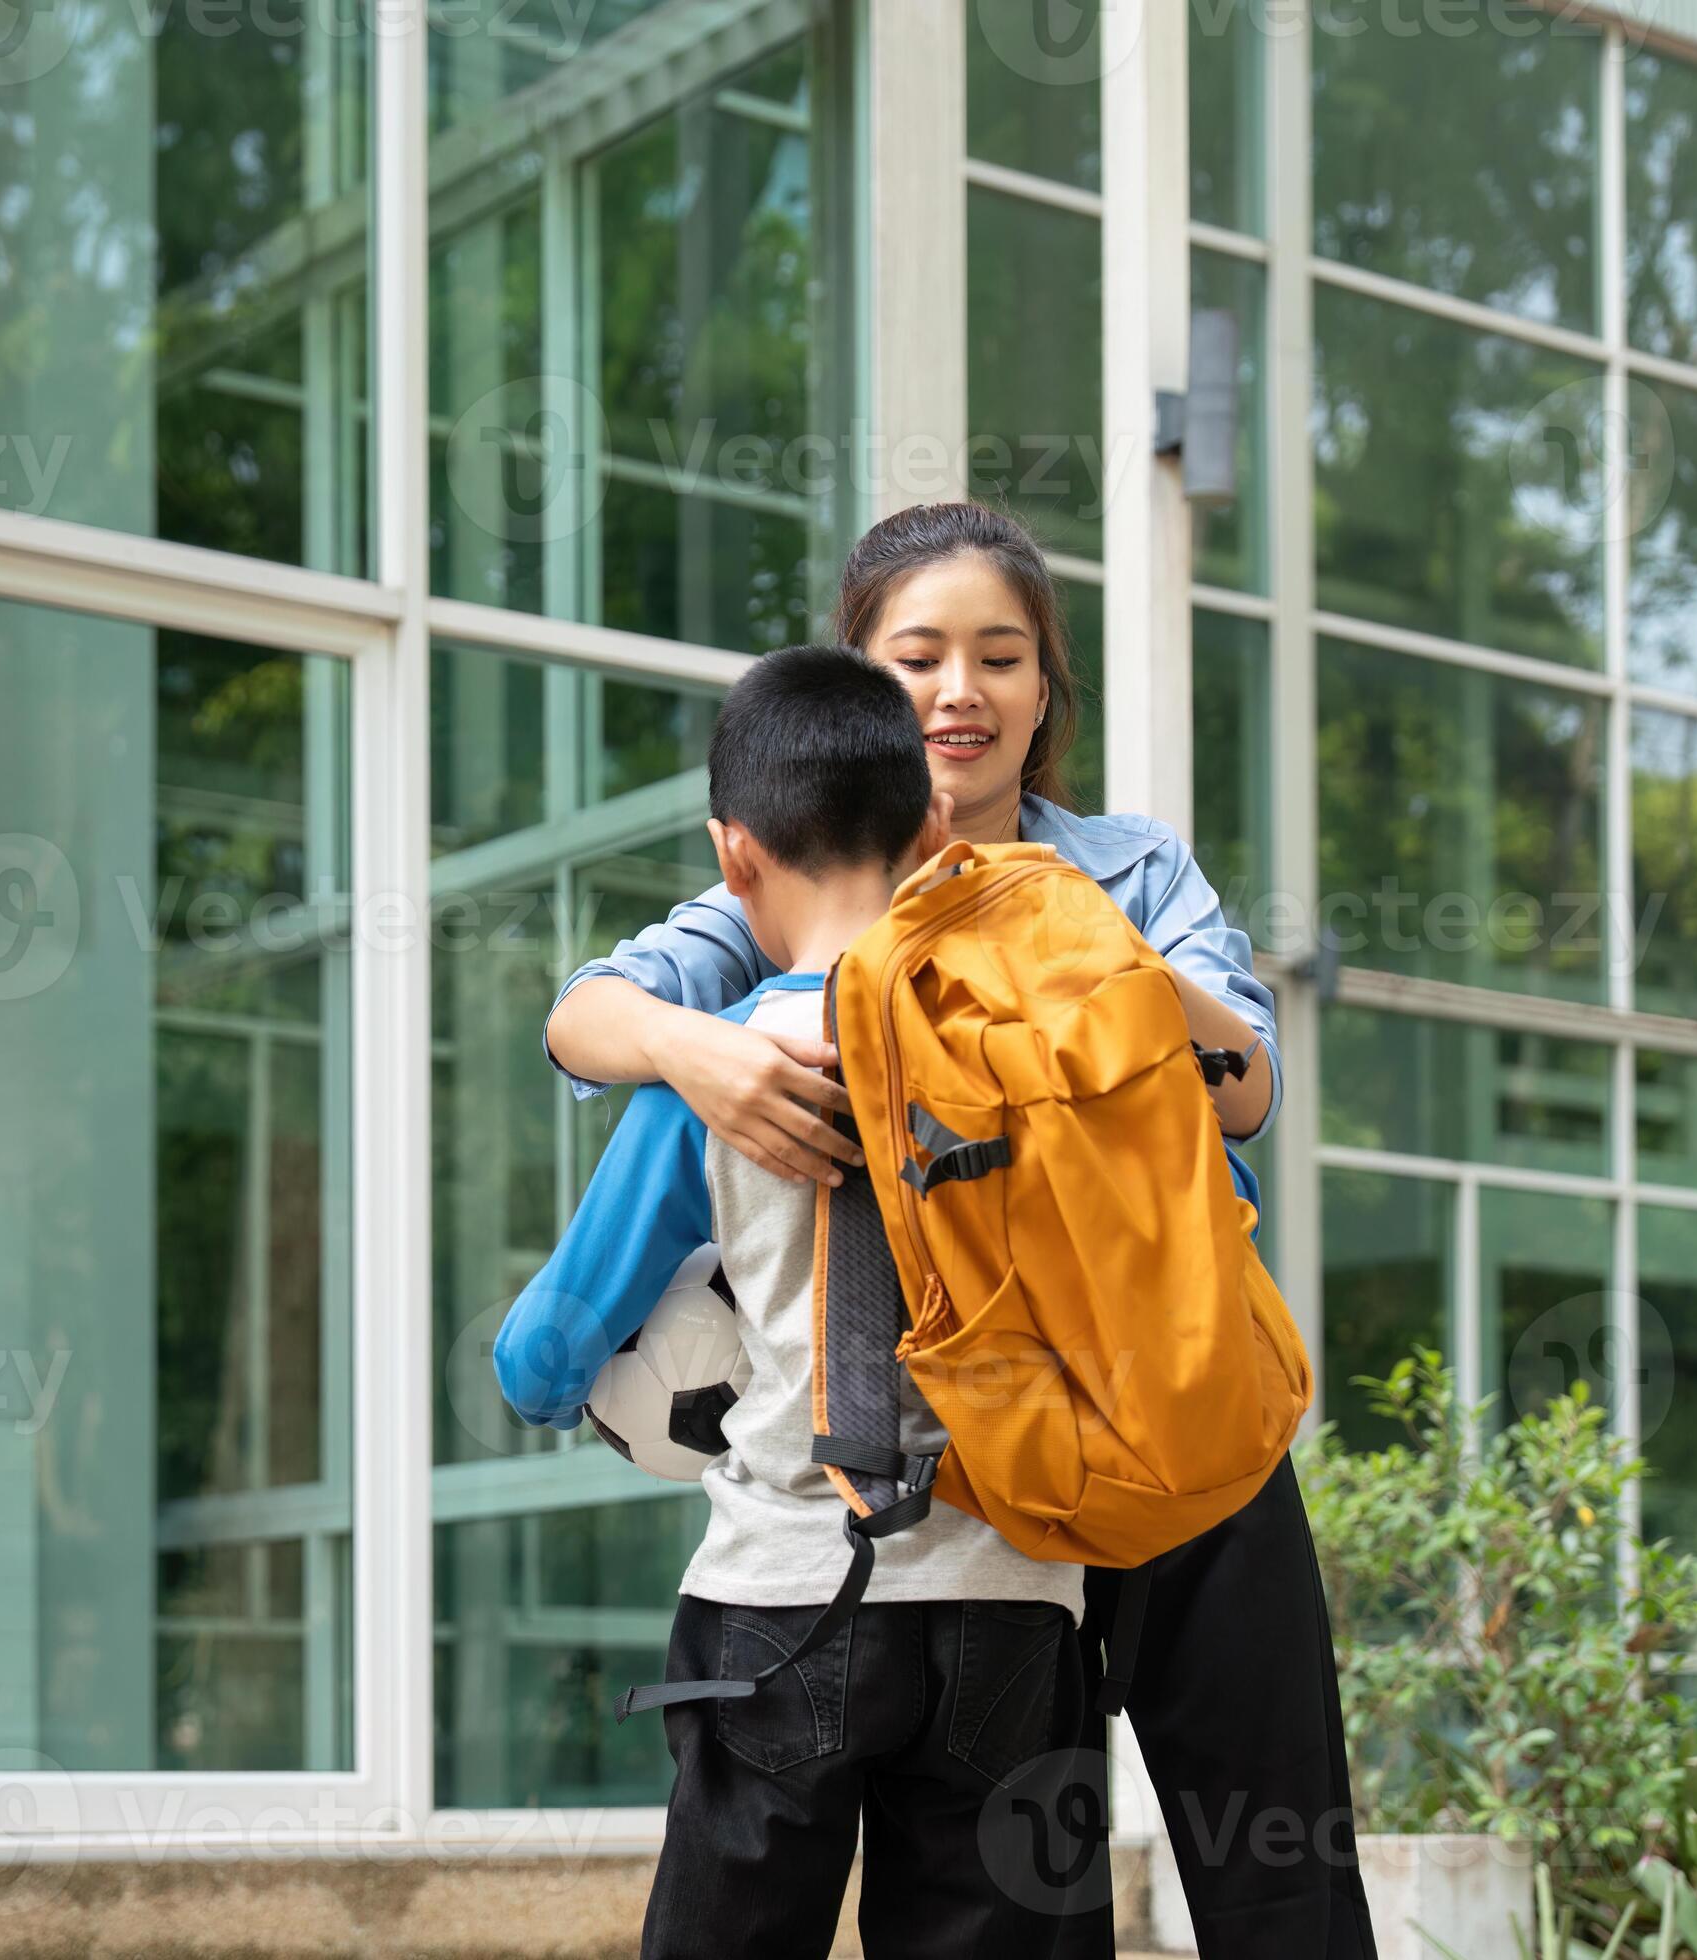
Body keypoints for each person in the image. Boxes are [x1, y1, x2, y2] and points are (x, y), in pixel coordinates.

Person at [543, 504, 1378, 1960]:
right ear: (860, 679)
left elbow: (1247, 1092)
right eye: (918, 655)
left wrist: (1063, 938)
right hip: (957, 1430)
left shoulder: (1122, 874)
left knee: (1272, 1830)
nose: (961, 690)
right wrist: (697, 1053)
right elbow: (581, 1022)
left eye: (1003, 657)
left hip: (1166, 1374)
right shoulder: (797, 879)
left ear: (1047, 689)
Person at [494, 643, 1089, 1960]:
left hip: (784, 1599)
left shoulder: (710, 1076)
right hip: (1017, 1597)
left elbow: (546, 1351)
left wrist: (538, 1379)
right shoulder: (1045, 1051)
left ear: (733, 854)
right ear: (932, 822)